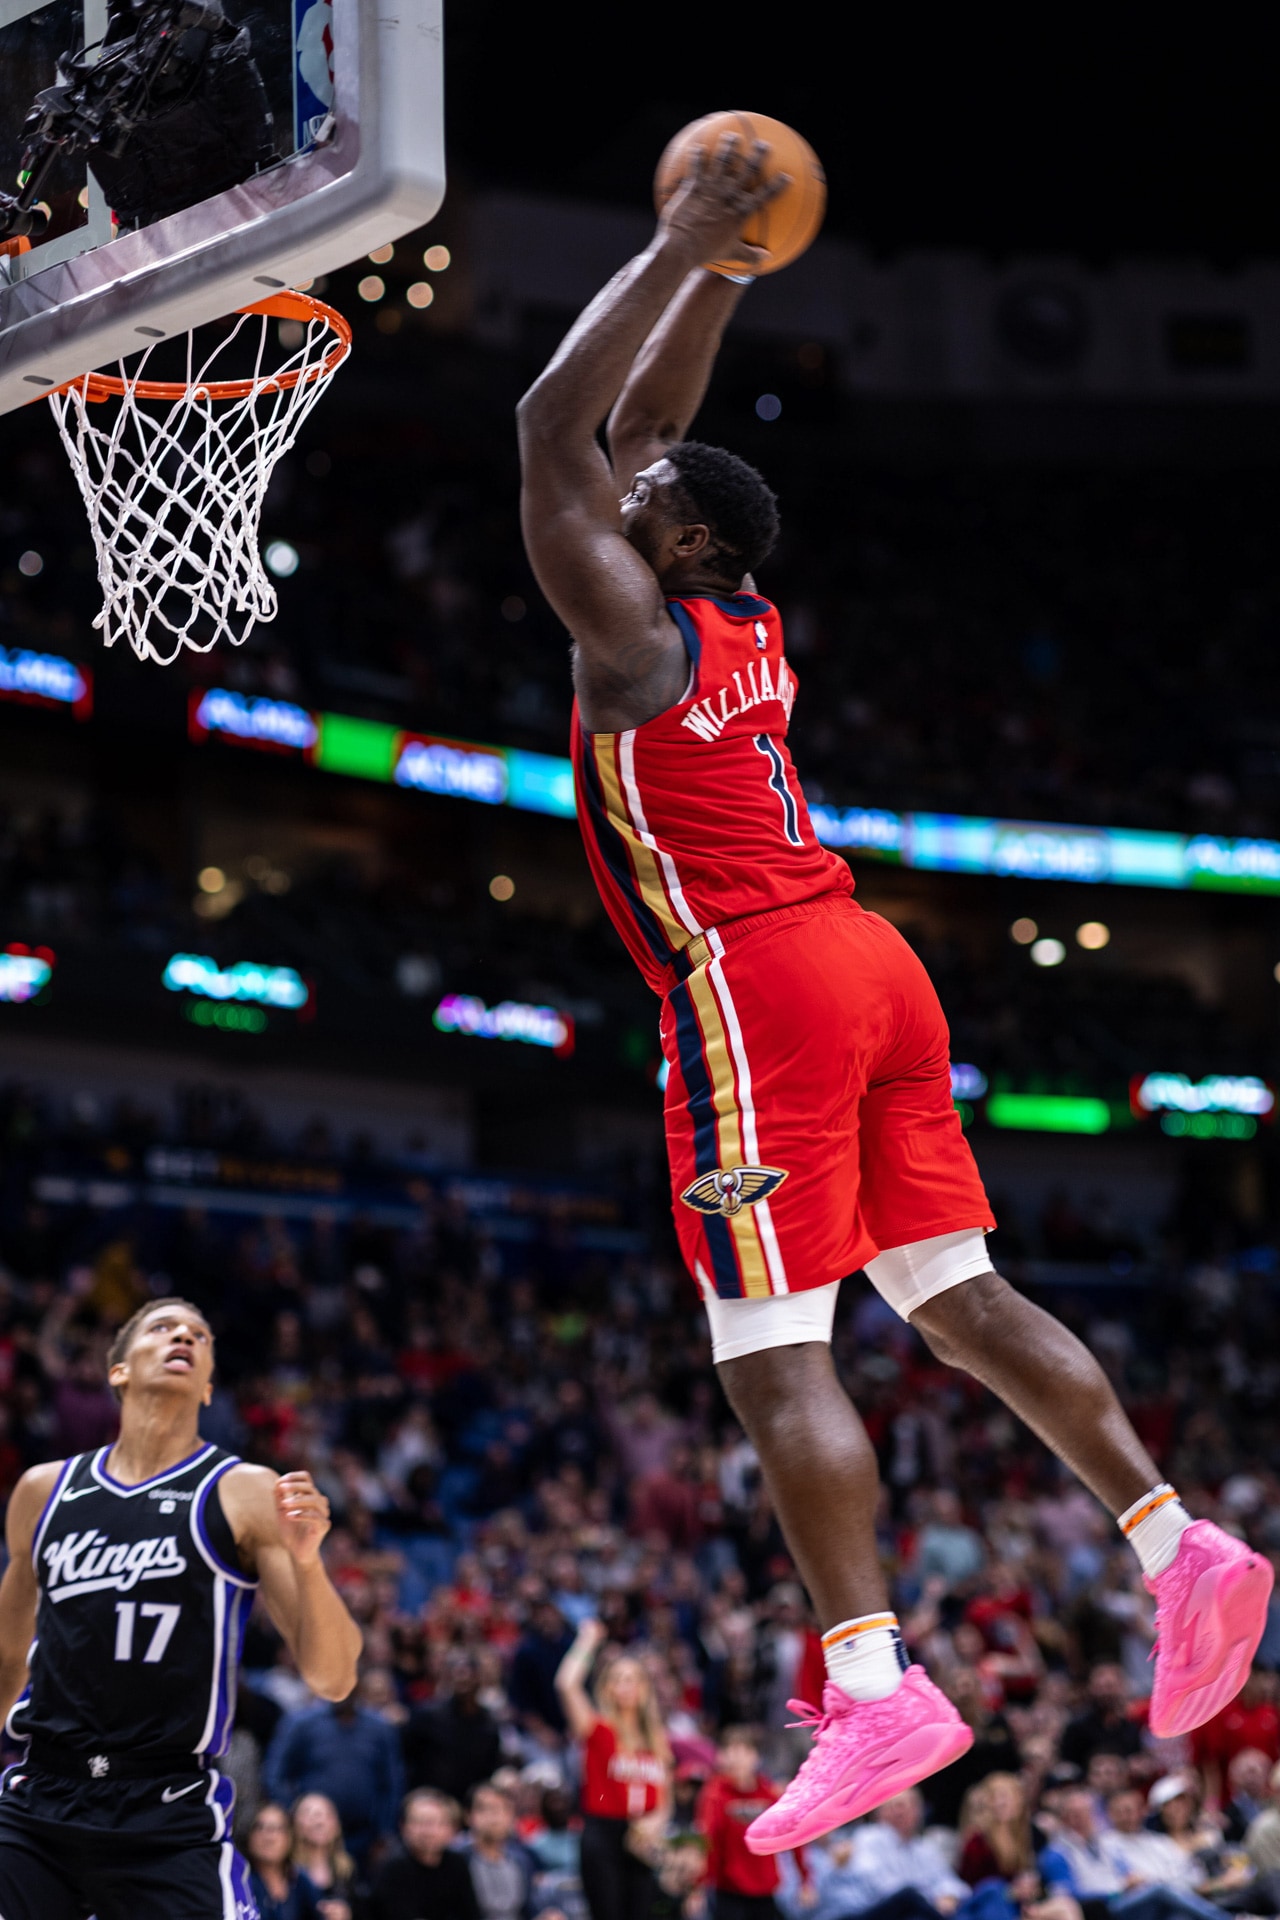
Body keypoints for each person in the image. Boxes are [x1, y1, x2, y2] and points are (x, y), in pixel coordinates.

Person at [515, 127, 1273, 1856]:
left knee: (775, 1354)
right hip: (878, 970)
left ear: (673, 538)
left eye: (647, 502)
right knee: (957, 1295)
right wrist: (718, 272)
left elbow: (556, 429)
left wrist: (683, 240)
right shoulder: (741, 611)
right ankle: (1182, 1544)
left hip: (758, 987)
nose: (616, 495)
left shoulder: (630, 643)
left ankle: (873, 1686)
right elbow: (636, 444)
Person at [0, 1296, 362, 1920]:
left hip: (166, 1807)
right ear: (118, 1370)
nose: (184, 1337)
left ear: (207, 1385)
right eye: (163, 1328)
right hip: (41, 1800)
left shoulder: (243, 1490)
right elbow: (8, 1657)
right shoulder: (44, 1491)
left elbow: (334, 1677)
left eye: (200, 1335)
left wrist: (308, 1563)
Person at [555, 1616, 672, 1920]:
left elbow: (664, 1800)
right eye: (618, 1678)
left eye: (632, 1678)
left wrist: (654, 1825)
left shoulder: (656, 1740)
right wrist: (589, 1640)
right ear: (607, 1687)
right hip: (602, 1834)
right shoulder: (598, 1730)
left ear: (645, 1687)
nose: (625, 1686)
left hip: (641, 1840)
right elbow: (566, 1684)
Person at [265, 1683, 405, 1869]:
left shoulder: (379, 1727)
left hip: (364, 1835)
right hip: (310, 1835)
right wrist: (295, 1813)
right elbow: (274, 1774)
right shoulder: (302, 1723)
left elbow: (392, 1783)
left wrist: (385, 1830)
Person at [697, 1724, 806, 1920]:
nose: (736, 1758)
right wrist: (698, 1887)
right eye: (730, 1750)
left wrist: (806, 1880)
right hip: (729, 1893)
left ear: (756, 1757)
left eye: (743, 1750)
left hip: (765, 1892)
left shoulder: (769, 1793)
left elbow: (794, 1835)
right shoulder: (714, 1794)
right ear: (721, 1757)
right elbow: (707, 1842)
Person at [403, 1648, 503, 1801]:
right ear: (449, 1678)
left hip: (468, 1806)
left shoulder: (489, 1724)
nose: (463, 1678)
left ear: (479, 1677)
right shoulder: (427, 1716)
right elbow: (407, 1759)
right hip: (432, 1804)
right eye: (457, 1673)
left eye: (467, 1672)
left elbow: (488, 1770)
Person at [369, 1788, 481, 1920]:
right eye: (420, 1822)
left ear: (452, 1829)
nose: (429, 1832)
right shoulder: (392, 1867)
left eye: (436, 1823)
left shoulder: (457, 1864)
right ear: (403, 1826)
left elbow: (470, 1914)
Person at [292, 1791, 357, 1919]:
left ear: (337, 1825)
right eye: (309, 1814)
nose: (319, 1821)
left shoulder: (347, 1869)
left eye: (327, 1814)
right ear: (295, 1823)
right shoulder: (286, 1869)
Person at [247, 1802, 312, 1920]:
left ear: (289, 1837)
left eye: (276, 1829)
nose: (268, 1837)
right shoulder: (239, 1880)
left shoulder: (301, 1881)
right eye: (260, 1827)